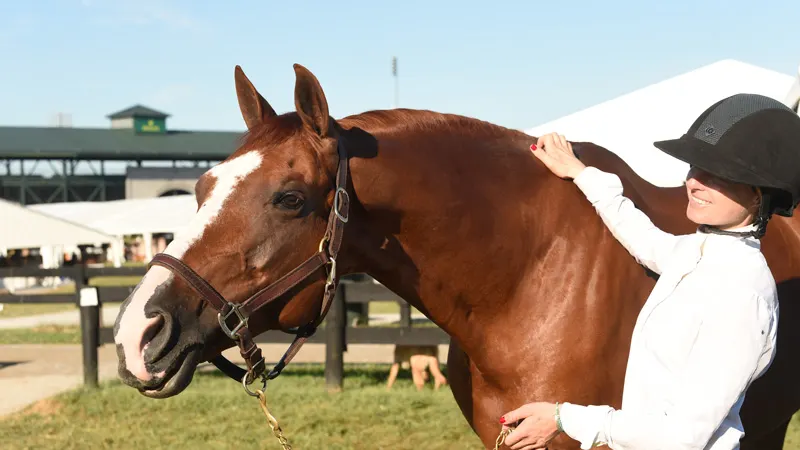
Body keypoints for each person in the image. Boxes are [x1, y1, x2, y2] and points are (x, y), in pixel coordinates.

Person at [500, 93, 800, 450]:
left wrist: (563, 418)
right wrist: (581, 173)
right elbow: (642, 237)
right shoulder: (697, 253)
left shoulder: (742, 294)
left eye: (719, 175)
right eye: (695, 166)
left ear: (760, 196)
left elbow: (683, 436)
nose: (694, 181)